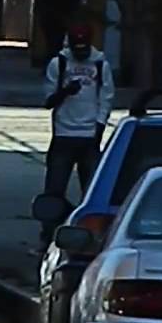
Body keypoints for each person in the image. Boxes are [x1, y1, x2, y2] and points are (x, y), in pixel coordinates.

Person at [42, 24, 115, 213]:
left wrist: (99, 128)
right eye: (76, 49)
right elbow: (48, 101)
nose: (80, 54)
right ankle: (49, 228)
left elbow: (106, 99)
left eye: (83, 49)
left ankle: (88, 228)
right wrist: (66, 91)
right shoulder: (58, 64)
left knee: (92, 191)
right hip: (63, 135)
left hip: (89, 137)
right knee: (54, 191)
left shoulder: (100, 64)